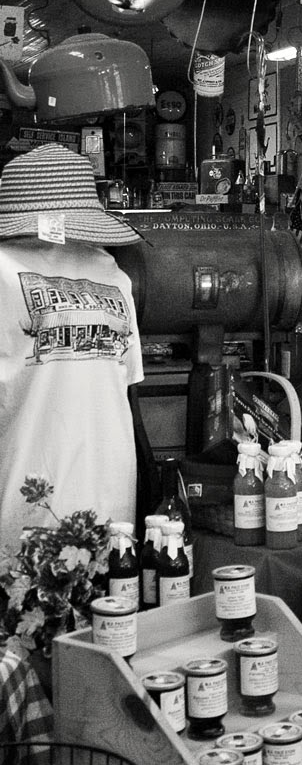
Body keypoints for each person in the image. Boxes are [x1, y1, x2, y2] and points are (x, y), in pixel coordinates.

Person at [0, 144, 144, 554]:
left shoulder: (112, 273)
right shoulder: (113, 275)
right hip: (33, 503)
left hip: (109, 501)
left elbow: (122, 386)